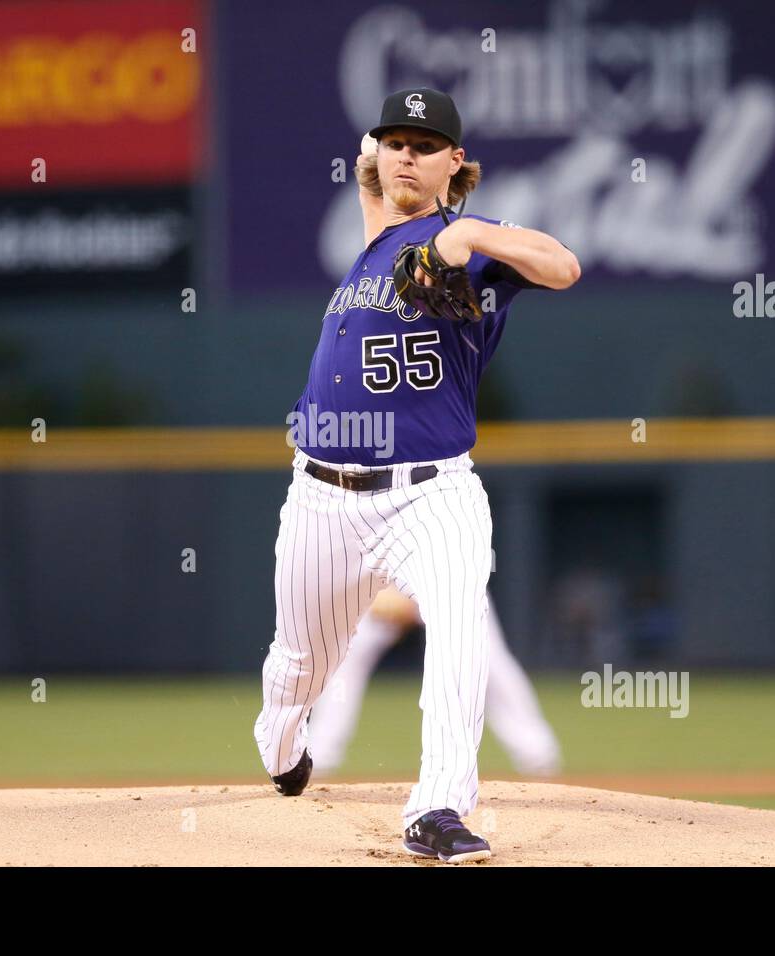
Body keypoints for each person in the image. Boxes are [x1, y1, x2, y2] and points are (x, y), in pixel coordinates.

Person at [253, 87, 579, 863]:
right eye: (396, 139)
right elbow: (374, 169)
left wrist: (464, 231)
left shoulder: (473, 246)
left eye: (426, 143)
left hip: (433, 491)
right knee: (299, 665)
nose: (406, 152)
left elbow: (563, 266)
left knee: (461, 630)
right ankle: (280, 744)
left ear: (454, 162)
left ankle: (437, 808)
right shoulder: (376, 235)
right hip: (322, 496)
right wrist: (387, 170)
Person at [308, 587, 563, 777]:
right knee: (345, 655)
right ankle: (319, 756)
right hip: (384, 573)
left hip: (450, 571)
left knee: (487, 658)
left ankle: (537, 754)